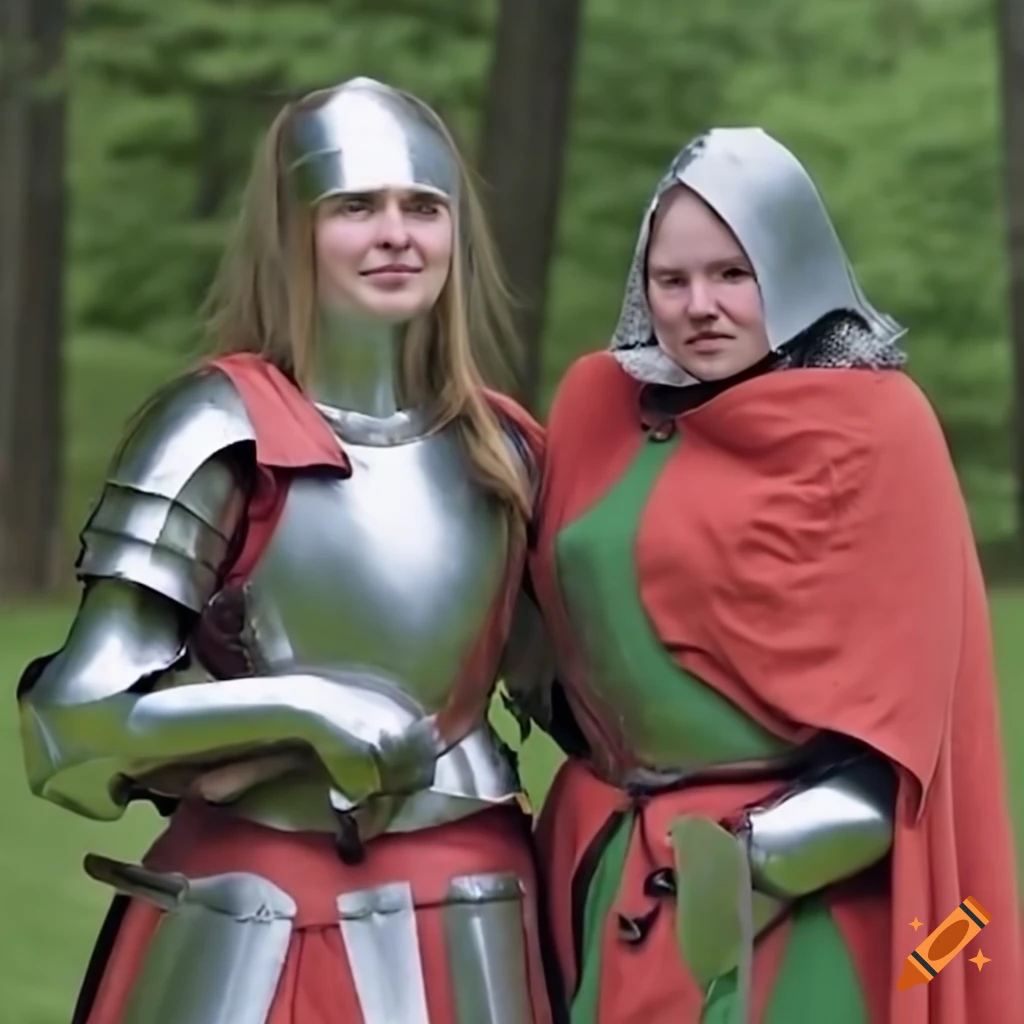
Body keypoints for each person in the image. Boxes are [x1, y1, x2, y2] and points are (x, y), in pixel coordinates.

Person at [17, 76, 554, 1024]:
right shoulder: (216, 432)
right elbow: (69, 727)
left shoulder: (505, 451)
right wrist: (306, 706)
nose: (395, 233)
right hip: (256, 914)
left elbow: (596, 710)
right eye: (355, 206)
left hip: (473, 912)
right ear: (294, 229)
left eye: (422, 208)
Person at [514, 128, 1022, 1022]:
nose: (699, 306)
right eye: (671, 281)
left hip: (804, 893)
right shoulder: (598, 408)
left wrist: (754, 860)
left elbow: (917, 736)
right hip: (609, 875)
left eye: (732, 275)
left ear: (791, 270)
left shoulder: (876, 428)